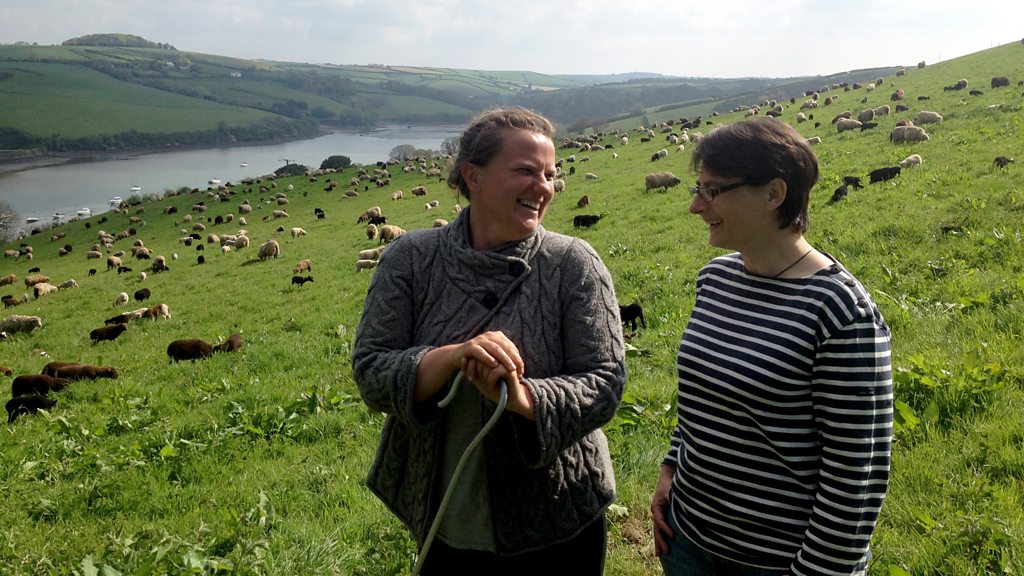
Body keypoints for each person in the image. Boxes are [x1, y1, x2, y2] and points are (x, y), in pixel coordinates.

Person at [352, 107, 626, 574]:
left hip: (557, 514)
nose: (544, 187)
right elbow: (371, 370)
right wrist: (448, 358)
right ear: (472, 177)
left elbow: (605, 383)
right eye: (525, 170)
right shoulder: (409, 260)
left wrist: (523, 397)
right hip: (445, 520)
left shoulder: (573, 263)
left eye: (549, 174)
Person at [651, 117, 893, 576]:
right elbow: (701, 400)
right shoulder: (715, 280)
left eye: (713, 190)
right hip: (687, 541)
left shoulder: (840, 311)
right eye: (696, 188)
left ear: (773, 194)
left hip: (779, 563)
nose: (696, 207)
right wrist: (669, 472)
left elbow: (855, 478)